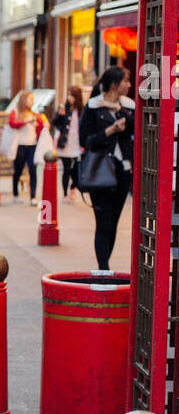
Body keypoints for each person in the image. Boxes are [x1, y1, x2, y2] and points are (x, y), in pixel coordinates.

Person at [79, 65, 134, 269]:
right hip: (99, 170)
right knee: (103, 223)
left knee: (114, 223)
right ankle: (103, 269)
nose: (129, 85)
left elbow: (137, 129)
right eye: (126, 81)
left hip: (123, 171)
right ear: (114, 84)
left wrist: (122, 113)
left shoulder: (128, 106)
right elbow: (86, 139)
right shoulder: (93, 106)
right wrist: (110, 131)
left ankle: (105, 266)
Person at [9, 90, 47, 206]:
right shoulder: (15, 112)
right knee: (18, 170)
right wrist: (25, 122)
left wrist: (41, 123)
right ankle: (15, 194)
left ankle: (33, 196)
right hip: (20, 145)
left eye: (32, 99)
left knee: (33, 170)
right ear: (23, 100)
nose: (31, 101)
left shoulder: (34, 114)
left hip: (32, 145)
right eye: (29, 99)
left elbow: (40, 128)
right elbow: (12, 123)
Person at [52, 85, 84, 199]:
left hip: (77, 143)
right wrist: (60, 115)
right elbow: (55, 123)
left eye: (72, 95)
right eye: (69, 94)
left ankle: (73, 187)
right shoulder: (64, 107)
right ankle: (65, 193)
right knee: (66, 168)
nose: (70, 98)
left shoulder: (81, 110)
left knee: (75, 169)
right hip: (65, 142)